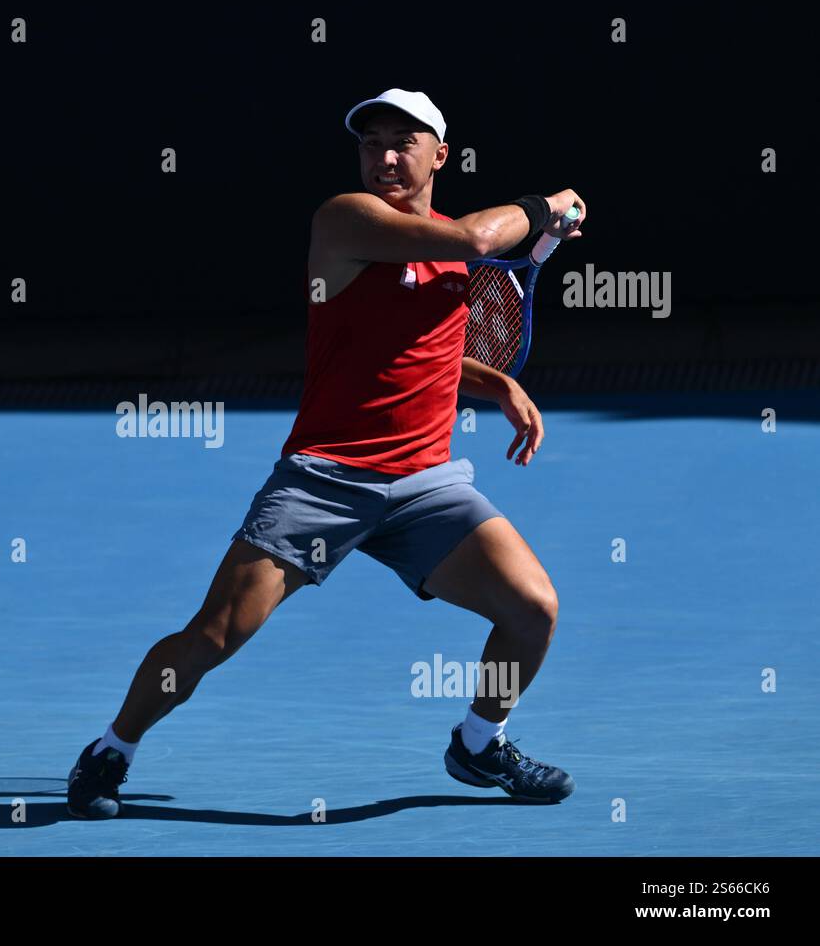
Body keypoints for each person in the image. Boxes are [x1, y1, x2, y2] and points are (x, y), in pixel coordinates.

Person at [67, 88, 586, 818]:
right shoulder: (345, 220)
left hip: (424, 485)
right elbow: (477, 239)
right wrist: (544, 206)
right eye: (372, 141)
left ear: (440, 155)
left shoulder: (442, 243)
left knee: (533, 608)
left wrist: (489, 379)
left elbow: (409, 344)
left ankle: (478, 741)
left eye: (404, 141)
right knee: (214, 635)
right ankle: (112, 748)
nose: (386, 155)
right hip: (325, 480)